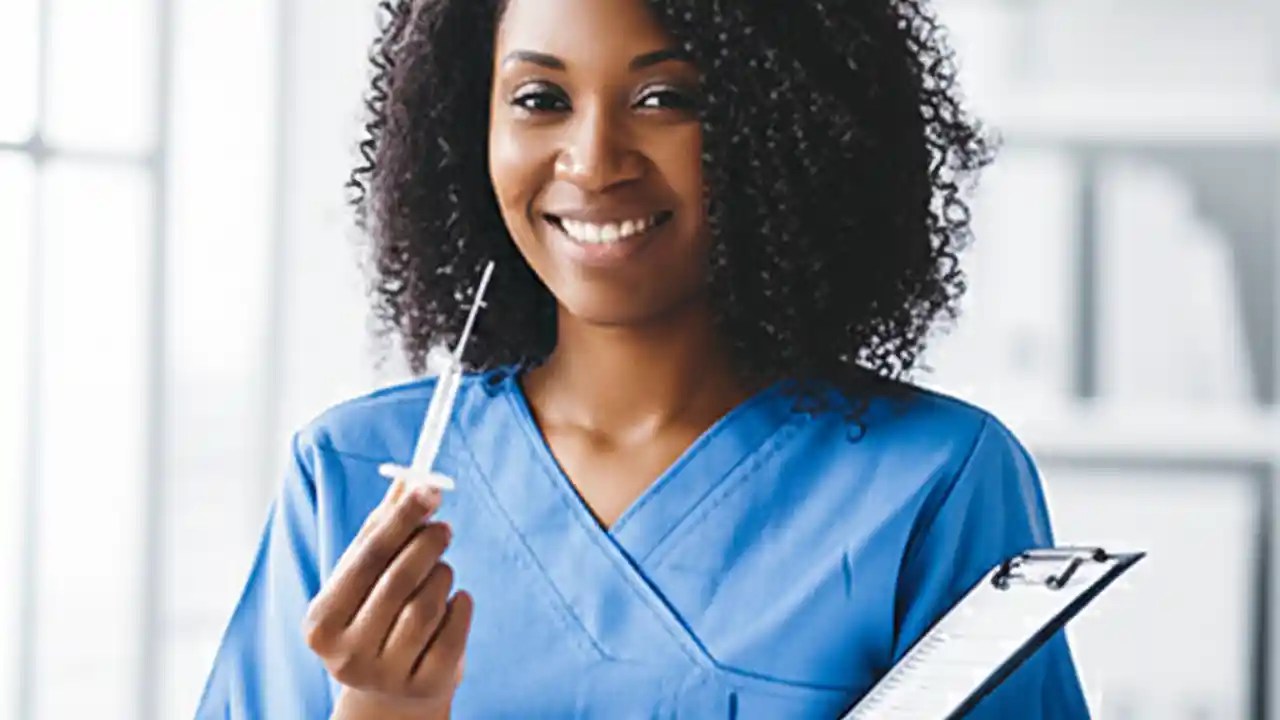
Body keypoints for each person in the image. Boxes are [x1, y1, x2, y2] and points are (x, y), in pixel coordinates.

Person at [197, 0, 1092, 717]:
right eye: (540, 100)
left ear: (786, 124)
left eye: (666, 97)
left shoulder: (934, 484)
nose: (591, 163)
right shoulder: (349, 480)